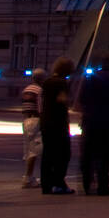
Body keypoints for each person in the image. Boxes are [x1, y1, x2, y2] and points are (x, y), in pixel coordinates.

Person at [78, 54, 109, 195]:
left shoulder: (90, 77)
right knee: (104, 153)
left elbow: (81, 98)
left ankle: (86, 183)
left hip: (89, 119)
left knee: (87, 152)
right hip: (106, 120)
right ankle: (103, 184)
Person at [40, 57, 75, 194]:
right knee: (64, 154)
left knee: (47, 154)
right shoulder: (62, 83)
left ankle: (46, 185)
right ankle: (59, 182)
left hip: (46, 121)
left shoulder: (47, 81)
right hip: (58, 122)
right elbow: (62, 99)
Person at [20, 68, 46, 188]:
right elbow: (41, 109)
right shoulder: (39, 90)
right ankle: (28, 178)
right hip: (35, 120)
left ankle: (28, 176)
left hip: (26, 120)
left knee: (29, 149)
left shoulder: (26, 89)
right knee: (35, 151)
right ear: (41, 79)